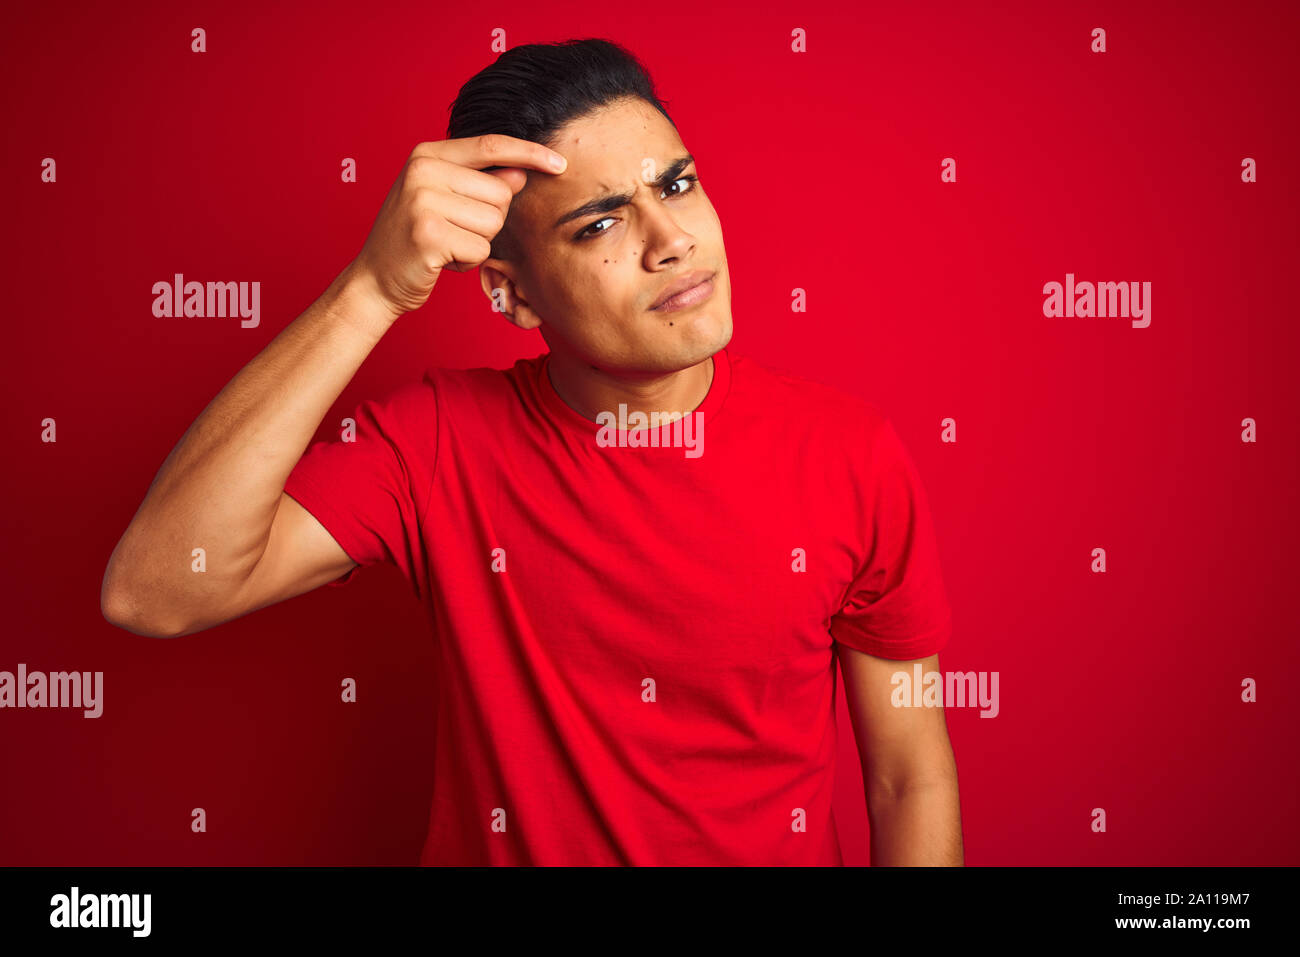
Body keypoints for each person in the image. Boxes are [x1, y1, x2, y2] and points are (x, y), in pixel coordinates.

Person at [101, 37, 963, 866]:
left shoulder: (852, 453)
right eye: (599, 226)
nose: (672, 241)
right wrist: (372, 290)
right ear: (511, 295)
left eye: (679, 183)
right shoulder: (435, 443)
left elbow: (906, 776)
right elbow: (155, 590)